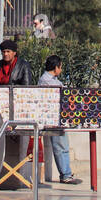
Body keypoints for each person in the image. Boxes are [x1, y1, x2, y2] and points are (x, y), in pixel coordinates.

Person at [39, 55, 82, 185]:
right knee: (60, 146)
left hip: (59, 117)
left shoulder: (51, 79)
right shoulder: (47, 81)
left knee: (63, 146)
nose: (61, 70)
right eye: (60, 67)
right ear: (56, 67)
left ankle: (67, 172)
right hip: (53, 118)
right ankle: (65, 175)